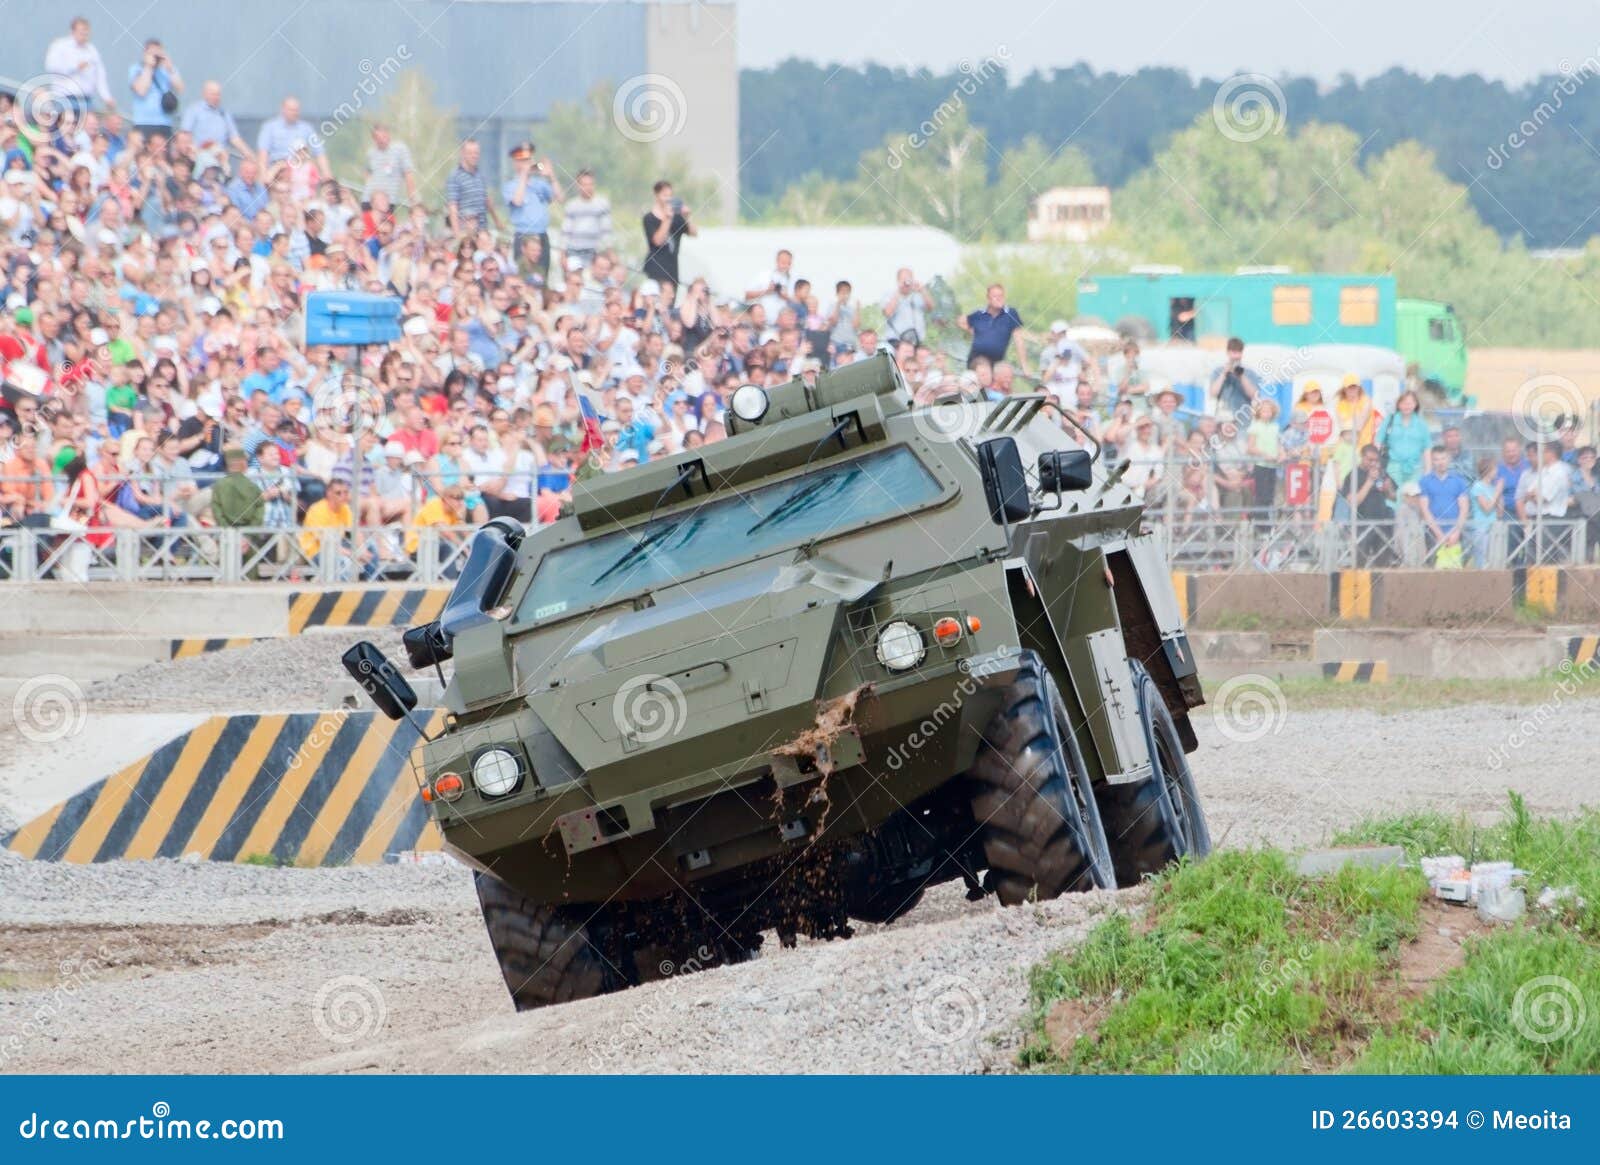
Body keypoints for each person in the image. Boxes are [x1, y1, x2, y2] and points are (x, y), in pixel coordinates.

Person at [502, 141, 560, 282]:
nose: (527, 164)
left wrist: (551, 176)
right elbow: (517, 201)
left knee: (542, 276)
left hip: (541, 236)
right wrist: (524, 176)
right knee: (523, 277)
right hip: (524, 236)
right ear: (516, 163)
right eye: (522, 161)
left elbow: (559, 197)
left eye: (529, 160)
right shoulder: (510, 185)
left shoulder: (540, 184)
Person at [1337, 444, 1398, 566]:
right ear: (1362, 457)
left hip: (1382, 523)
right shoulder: (1353, 475)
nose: (1373, 463)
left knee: (1383, 561)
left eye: (1376, 460)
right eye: (1370, 460)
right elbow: (1352, 502)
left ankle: (1380, 582)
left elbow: (1394, 497)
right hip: (1361, 524)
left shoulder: (1381, 473)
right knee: (1360, 561)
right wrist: (1369, 481)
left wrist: (1388, 489)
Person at [45, 17, 113, 111]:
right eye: (81, 33)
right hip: (64, 99)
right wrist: (75, 67)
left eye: (86, 33)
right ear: (72, 32)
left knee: (88, 124)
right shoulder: (60, 46)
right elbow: (51, 67)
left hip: (86, 100)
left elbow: (100, 76)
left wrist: (106, 97)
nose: (84, 36)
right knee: (65, 124)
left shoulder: (92, 50)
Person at [1416, 446, 1470, 564]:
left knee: (1456, 572)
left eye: (1443, 458)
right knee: (1432, 573)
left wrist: (1456, 532)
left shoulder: (1459, 481)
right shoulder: (1424, 481)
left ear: (1448, 459)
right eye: (1436, 459)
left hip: (1456, 534)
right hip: (1432, 534)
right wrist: (1439, 534)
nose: (1440, 462)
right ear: (1432, 461)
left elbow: (1464, 508)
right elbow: (1424, 509)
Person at [256, 97, 329, 180]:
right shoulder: (270, 127)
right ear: (283, 110)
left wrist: (328, 176)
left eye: (296, 110)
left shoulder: (306, 128)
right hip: (278, 172)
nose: (294, 113)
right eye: (291, 110)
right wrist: (263, 177)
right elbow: (263, 154)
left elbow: (319, 152)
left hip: (301, 170)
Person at [959, 284, 1026, 373]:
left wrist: (1024, 365)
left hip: (995, 366)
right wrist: (972, 333)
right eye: (995, 296)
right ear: (988, 298)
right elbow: (962, 322)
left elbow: (1019, 340)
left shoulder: (1011, 314)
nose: (999, 298)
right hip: (974, 364)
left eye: (1001, 296)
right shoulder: (978, 314)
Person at [182, 80, 251, 166]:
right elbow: (185, 135)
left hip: (220, 159)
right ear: (204, 94)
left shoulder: (224, 114)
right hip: (198, 158)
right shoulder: (194, 110)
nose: (216, 97)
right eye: (213, 94)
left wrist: (250, 156)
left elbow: (235, 138)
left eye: (218, 94)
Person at [127, 38, 183, 140]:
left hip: (165, 122)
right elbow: (141, 91)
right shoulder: (136, 69)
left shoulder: (166, 70)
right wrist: (148, 67)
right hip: (144, 122)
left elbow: (180, 88)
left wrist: (170, 68)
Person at [641, 180, 694, 286]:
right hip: (656, 269)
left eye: (670, 195)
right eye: (665, 195)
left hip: (673, 270)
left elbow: (693, 233)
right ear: (656, 195)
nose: (668, 199)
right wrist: (667, 218)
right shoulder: (649, 218)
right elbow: (657, 241)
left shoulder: (677, 217)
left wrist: (687, 216)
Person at [1376, 389, 1430, 488]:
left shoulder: (1421, 424)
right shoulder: (1390, 420)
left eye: (1410, 403)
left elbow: (1427, 448)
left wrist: (1428, 470)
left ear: (1415, 404)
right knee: (1394, 498)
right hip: (1393, 466)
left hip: (1415, 468)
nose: (1407, 406)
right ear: (1399, 404)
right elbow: (1378, 441)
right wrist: (1376, 464)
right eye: (1404, 403)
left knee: (1411, 497)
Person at [562, 169, 611, 266]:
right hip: (574, 251)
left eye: (590, 184)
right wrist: (563, 254)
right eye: (584, 184)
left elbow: (606, 231)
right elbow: (566, 232)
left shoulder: (602, 203)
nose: (588, 187)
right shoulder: (571, 205)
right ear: (578, 185)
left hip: (595, 252)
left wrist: (608, 251)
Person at [363, 123, 418, 207]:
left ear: (389, 135)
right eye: (378, 138)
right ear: (374, 139)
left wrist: (413, 198)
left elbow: (408, 174)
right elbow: (367, 173)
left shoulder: (400, 149)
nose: (382, 140)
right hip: (369, 200)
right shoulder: (371, 153)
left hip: (389, 201)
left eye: (384, 136)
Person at [210, 445, 264, 528]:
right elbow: (259, 513)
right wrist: (249, 534)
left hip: (227, 534)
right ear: (244, 464)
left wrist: (227, 529)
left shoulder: (219, 485)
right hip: (249, 536)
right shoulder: (253, 487)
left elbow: (217, 512)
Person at [1208, 338, 1258, 423]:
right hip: (1222, 419)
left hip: (1243, 420)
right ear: (1228, 352)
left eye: (1239, 352)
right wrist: (1223, 374)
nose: (1236, 356)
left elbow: (1254, 395)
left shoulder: (1249, 372)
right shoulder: (1218, 371)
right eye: (1233, 352)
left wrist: (1241, 376)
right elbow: (1212, 393)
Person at [1467, 456, 1503, 568]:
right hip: (1481, 527)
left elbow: (1500, 512)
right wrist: (1497, 492)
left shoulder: (1492, 487)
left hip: (1493, 527)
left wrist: (1500, 494)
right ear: (1488, 470)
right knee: (1481, 561)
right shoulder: (1477, 486)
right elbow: (1486, 508)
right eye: (1495, 468)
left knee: (1493, 560)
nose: (1497, 471)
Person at [881, 267, 932, 343]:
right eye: (904, 279)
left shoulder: (918, 295)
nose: (906, 282)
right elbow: (888, 313)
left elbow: (930, 307)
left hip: (917, 341)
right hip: (896, 341)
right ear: (898, 280)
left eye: (909, 278)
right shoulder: (889, 295)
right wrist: (899, 291)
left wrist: (923, 290)